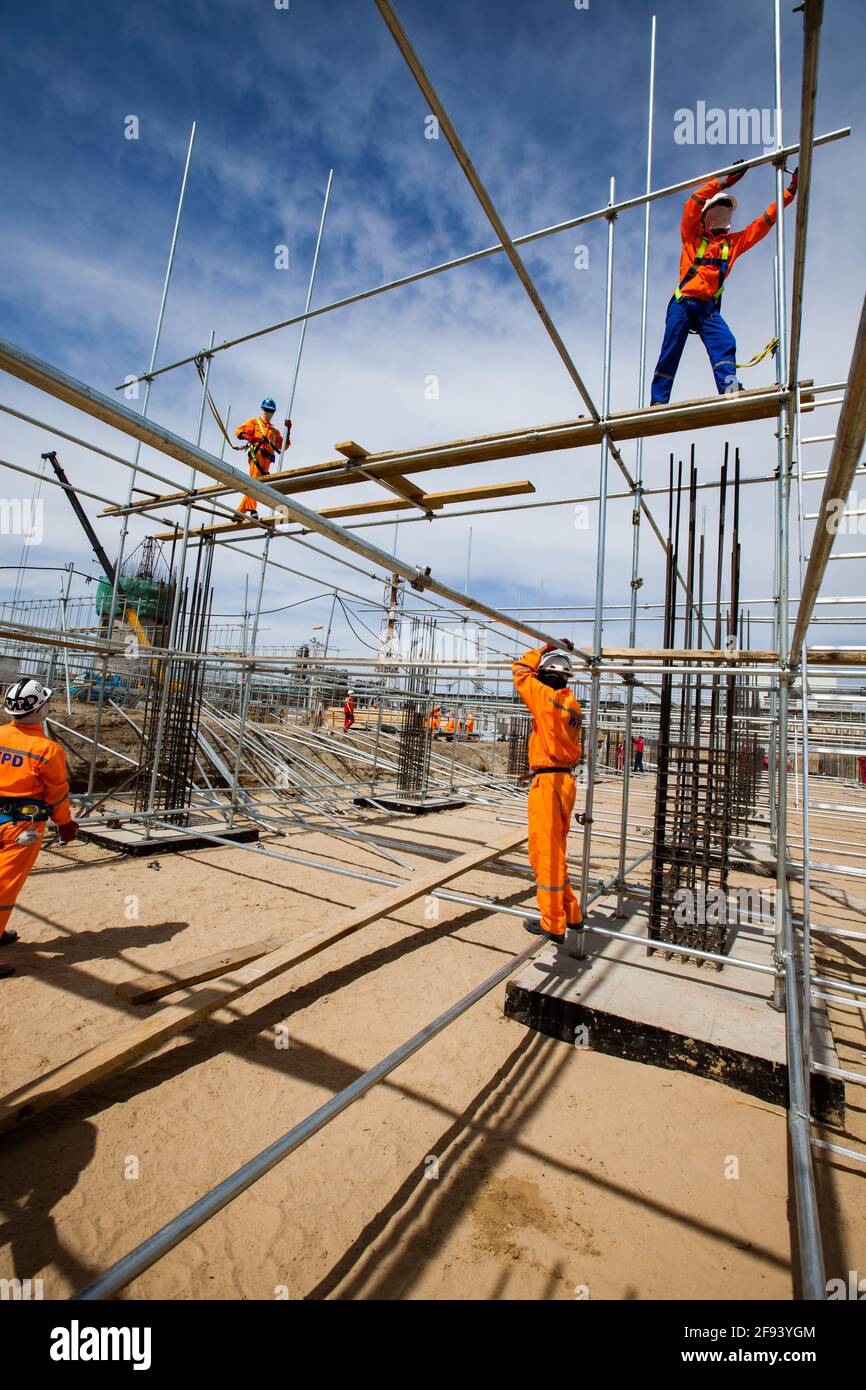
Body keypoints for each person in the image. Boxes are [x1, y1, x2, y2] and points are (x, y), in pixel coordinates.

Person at [650, 163, 798, 405]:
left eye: (726, 207)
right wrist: (721, 183)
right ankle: (658, 400)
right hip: (683, 303)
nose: (725, 210)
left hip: (707, 309)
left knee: (725, 341)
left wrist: (790, 192)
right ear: (708, 212)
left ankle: (729, 388)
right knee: (671, 349)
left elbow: (765, 222)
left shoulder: (732, 243)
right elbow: (693, 202)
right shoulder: (692, 235)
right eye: (721, 205)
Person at [0, 679, 79, 979]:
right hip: (21, 826)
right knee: (4, 886)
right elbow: (56, 794)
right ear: (40, 708)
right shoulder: (46, 749)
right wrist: (65, 824)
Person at [512, 643, 583, 946]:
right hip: (565, 782)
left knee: (545, 853)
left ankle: (553, 922)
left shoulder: (545, 698)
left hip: (549, 783)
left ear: (545, 675)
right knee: (557, 851)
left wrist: (543, 647)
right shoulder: (572, 705)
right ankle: (571, 913)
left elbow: (519, 671)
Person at [234, 398, 290, 519]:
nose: (268, 413)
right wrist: (250, 438)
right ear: (262, 409)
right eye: (266, 410)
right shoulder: (254, 422)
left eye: (271, 411)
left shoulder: (274, 431)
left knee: (260, 485)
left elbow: (284, 445)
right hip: (257, 455)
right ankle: (252, 509)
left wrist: (288, 430)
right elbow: (239, 432)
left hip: (267, 460)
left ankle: (239, 512)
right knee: (254, 481)